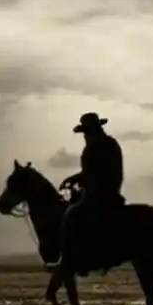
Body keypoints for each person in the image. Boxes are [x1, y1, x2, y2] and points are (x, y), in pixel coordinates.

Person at [59, 112, 125, 276]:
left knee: (73, 216)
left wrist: (76, 179)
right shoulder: (107, 144)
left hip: (102, 192)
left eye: (87, 131)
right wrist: (75, 178)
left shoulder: (98, 146)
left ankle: (85, 259)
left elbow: (95, 171)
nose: (86, 135)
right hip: (105, 190)